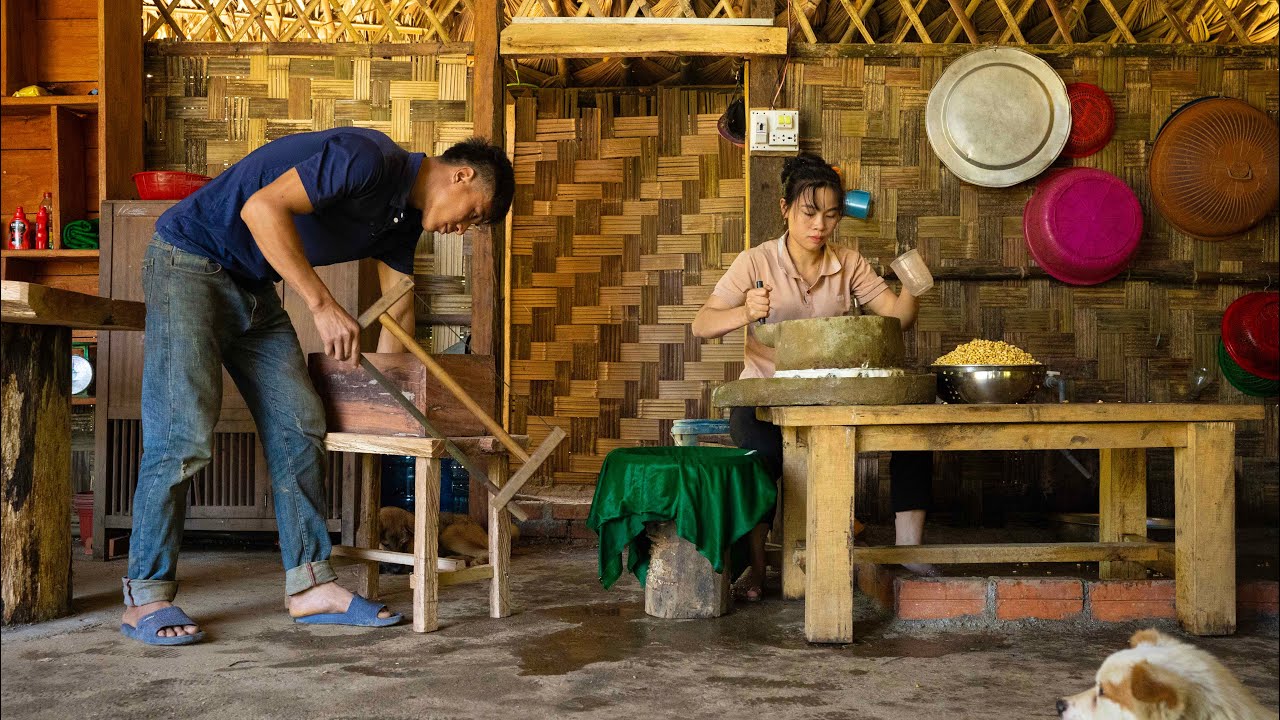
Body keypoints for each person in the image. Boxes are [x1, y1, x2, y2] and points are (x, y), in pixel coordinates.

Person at [120, 129, 514, 645]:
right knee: (182, 434)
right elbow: (261, 209)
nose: (462, 229)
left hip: (253, 285)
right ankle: (146, 596)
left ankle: (309, 586)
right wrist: (324, 306)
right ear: (461, 175)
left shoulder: (400, 226)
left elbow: (398, 311)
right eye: (474, 214)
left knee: (300, 424)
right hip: (189, 261)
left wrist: (392, 403)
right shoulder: (370, 159)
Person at [691, 153, 935, 601]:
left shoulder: (849, 263)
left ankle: (908, 550)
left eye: (831, 214)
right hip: (764, 393)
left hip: (833, 394)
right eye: (809, 212)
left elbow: (896, 319)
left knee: (913, 430)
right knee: (763, 455)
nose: (820, 225)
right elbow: (702, 324)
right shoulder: (755, 261)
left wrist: (913, 288)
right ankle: (758, 567)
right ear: (785, 209)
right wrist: (744, 312)